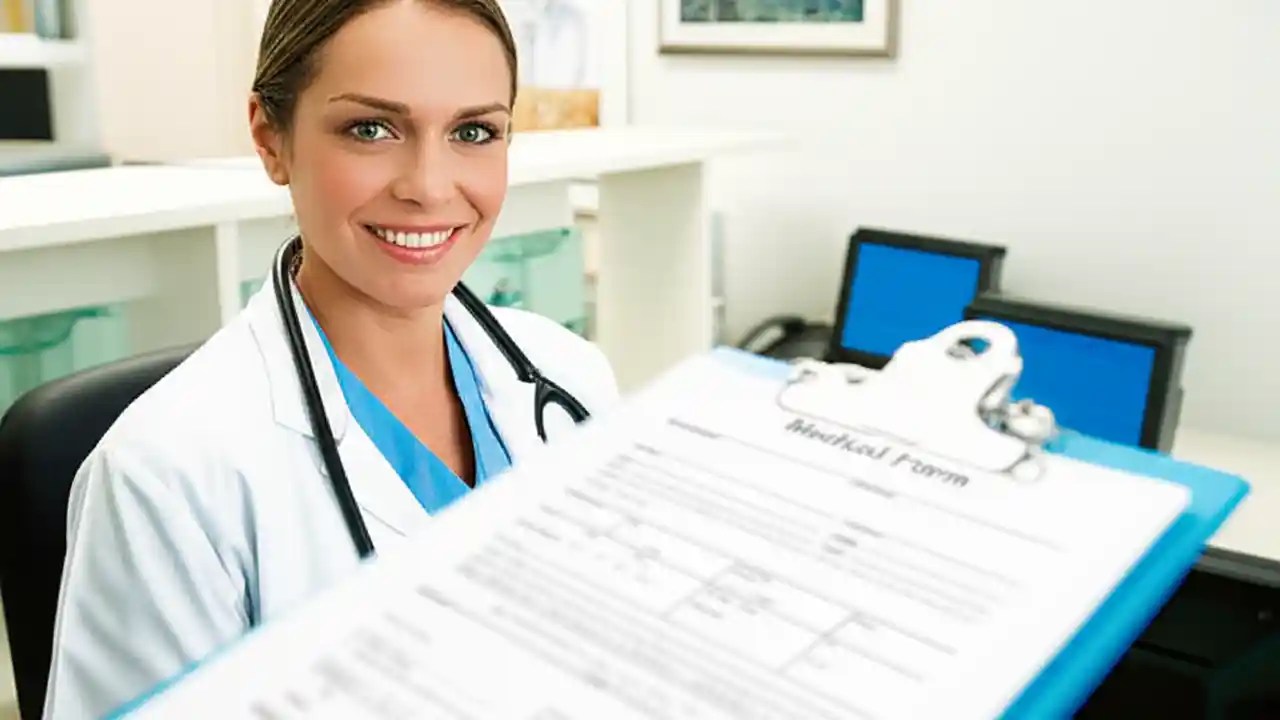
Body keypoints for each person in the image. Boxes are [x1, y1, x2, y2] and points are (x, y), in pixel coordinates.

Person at [41, 1, 618, 717]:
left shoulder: (572, 377)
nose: (430, 186)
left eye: (474, 131)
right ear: (270, 138)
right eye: (370, 129)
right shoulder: (167, 474)